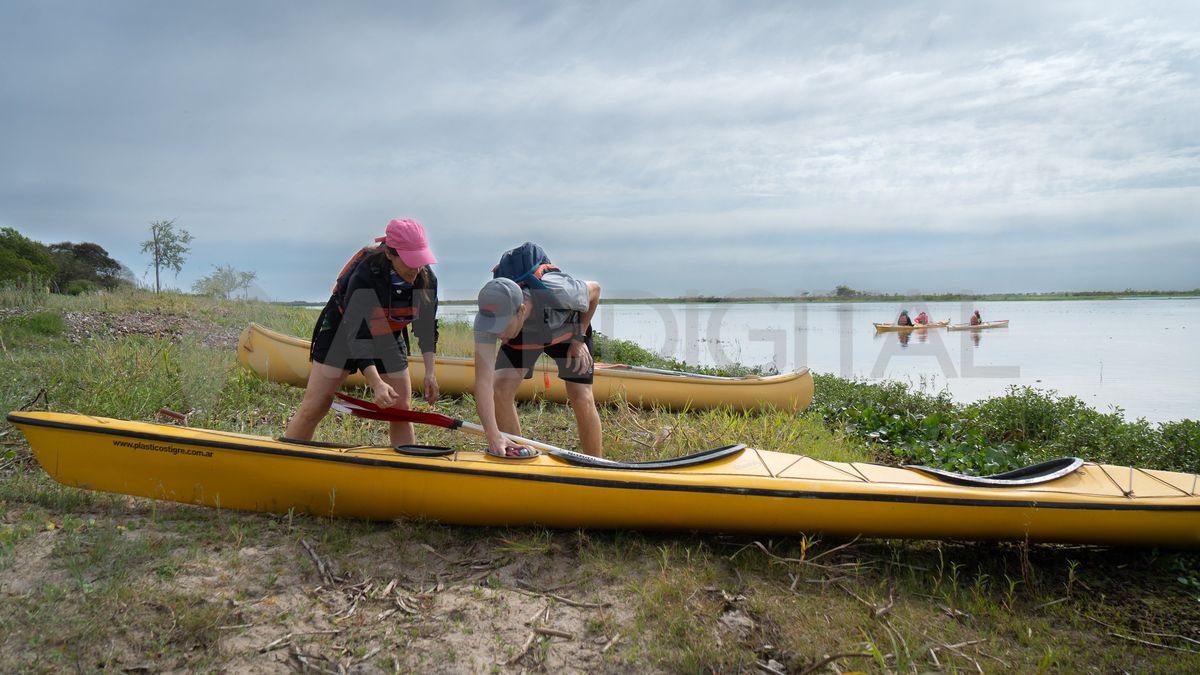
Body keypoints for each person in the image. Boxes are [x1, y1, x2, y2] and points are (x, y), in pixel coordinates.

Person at [285, 218, 440, 446]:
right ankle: (290, 457)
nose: (416, 268)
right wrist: (375, 382)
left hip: (388, 335)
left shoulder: (426, 279)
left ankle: (404, 471)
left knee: (401, 410)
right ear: (389, 254)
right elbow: (357, 335)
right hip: (343, 333)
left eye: (420, 260)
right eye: (410, 261)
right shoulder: (365, 276)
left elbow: (426, 328)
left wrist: (430, 373)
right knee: (317, 404)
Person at [472, 242, 603, 458]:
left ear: (521, 311)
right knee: (500, 389)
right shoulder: (487, 320)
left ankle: (597, 464)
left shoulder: (561, 291)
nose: (499, 337)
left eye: (502, 329)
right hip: (524, 339)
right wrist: (492, 434)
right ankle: (517, 455)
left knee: (581, 395)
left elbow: (595, 291)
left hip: (568, 332)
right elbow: (483, 382)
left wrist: (579, 338)